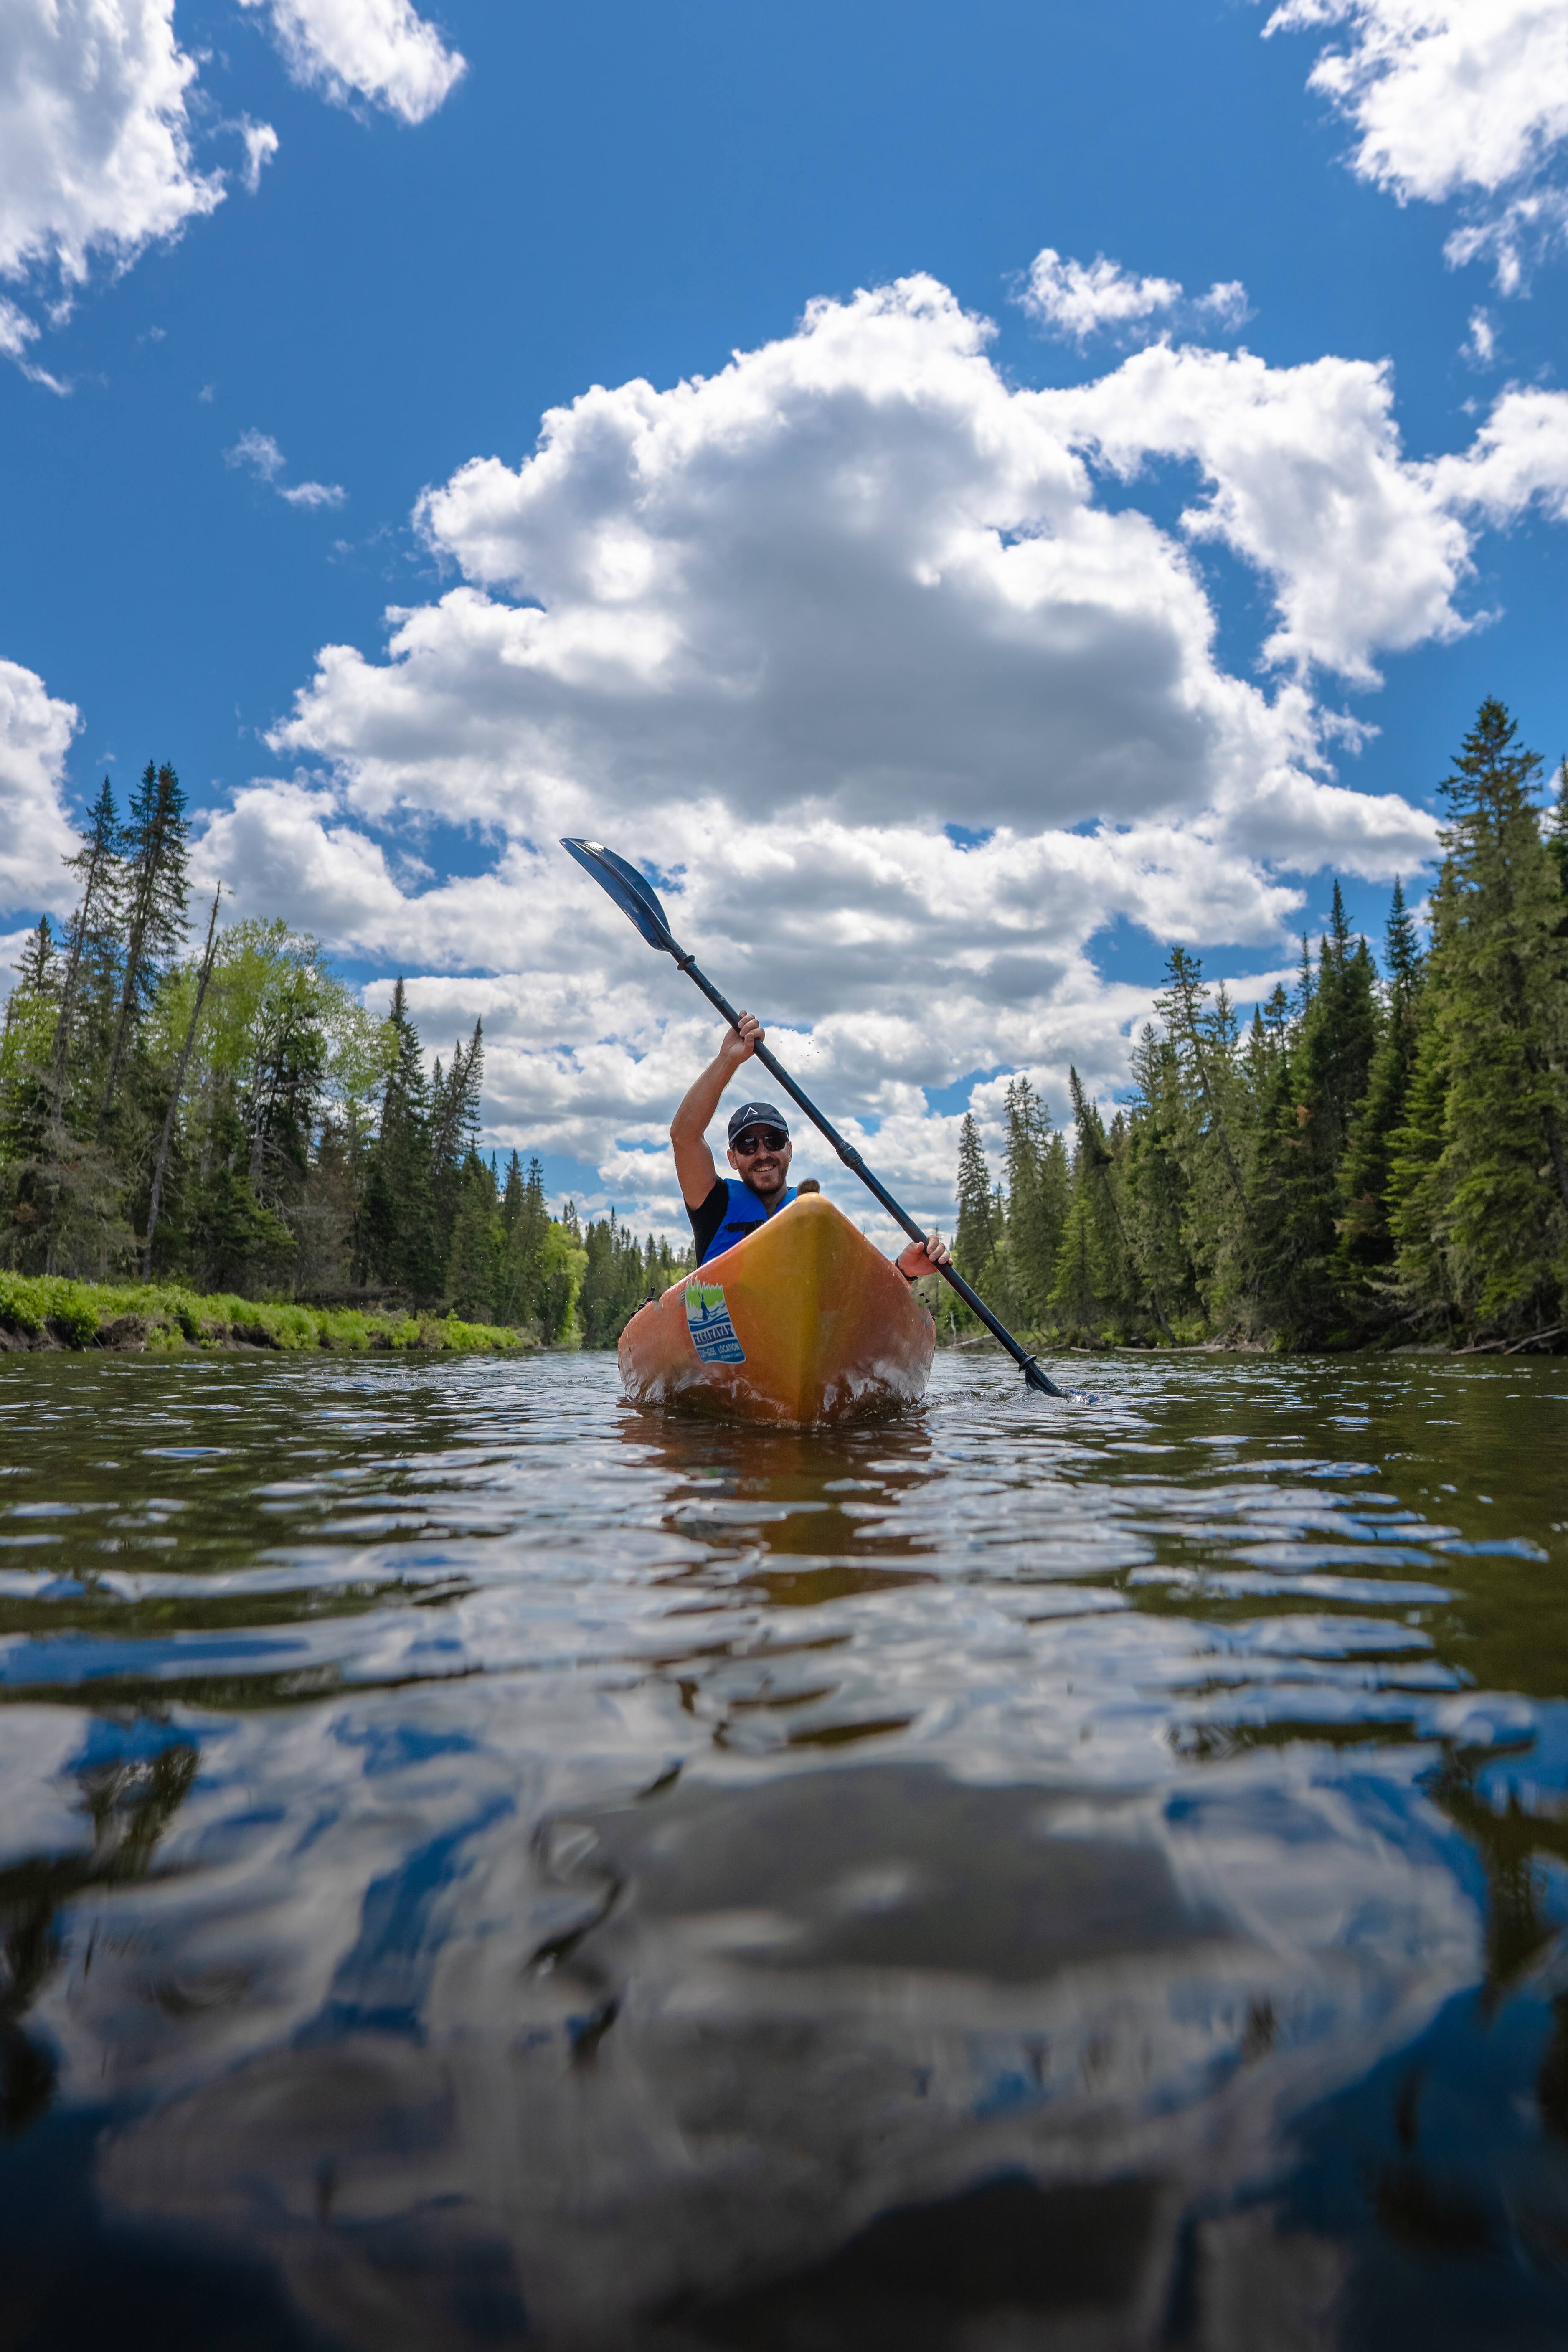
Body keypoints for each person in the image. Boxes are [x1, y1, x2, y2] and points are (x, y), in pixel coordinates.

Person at [670, 1011, 953, 1279]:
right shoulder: (714, 1204)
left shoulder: (818, 1217)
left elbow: (859, 1289)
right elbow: (684, 1136)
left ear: (789, 1149)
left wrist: (904, 1270)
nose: (763, 1153)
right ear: (733, 1158)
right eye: (748, 1145)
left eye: (773, 1141)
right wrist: (727, 1060)